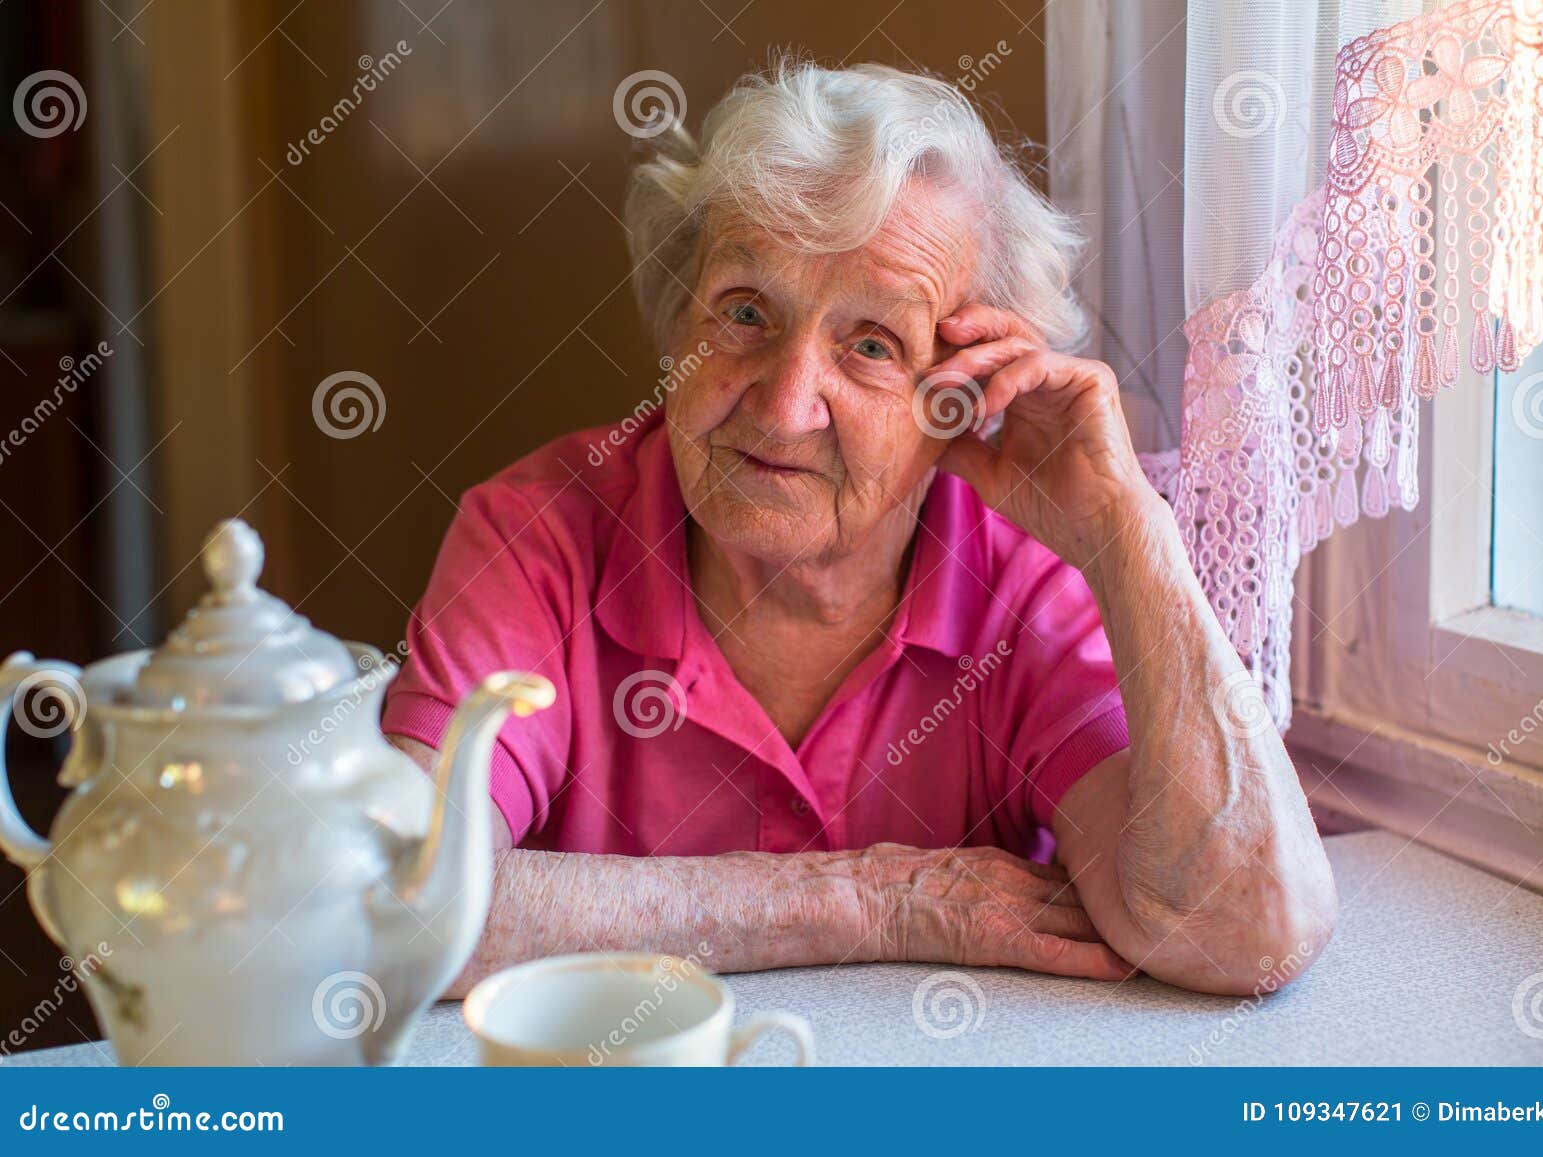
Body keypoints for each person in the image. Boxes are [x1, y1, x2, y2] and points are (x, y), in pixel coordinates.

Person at [383, 59, 1337, 998]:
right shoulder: (539, 536)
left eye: (873, 345)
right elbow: (387, 904)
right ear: (678, 325)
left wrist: (1130, 529)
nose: (788, 403)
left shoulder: (1026, 582)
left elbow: (1243, 933)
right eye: (746, 312)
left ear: (964, 393)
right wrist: (867, 900)